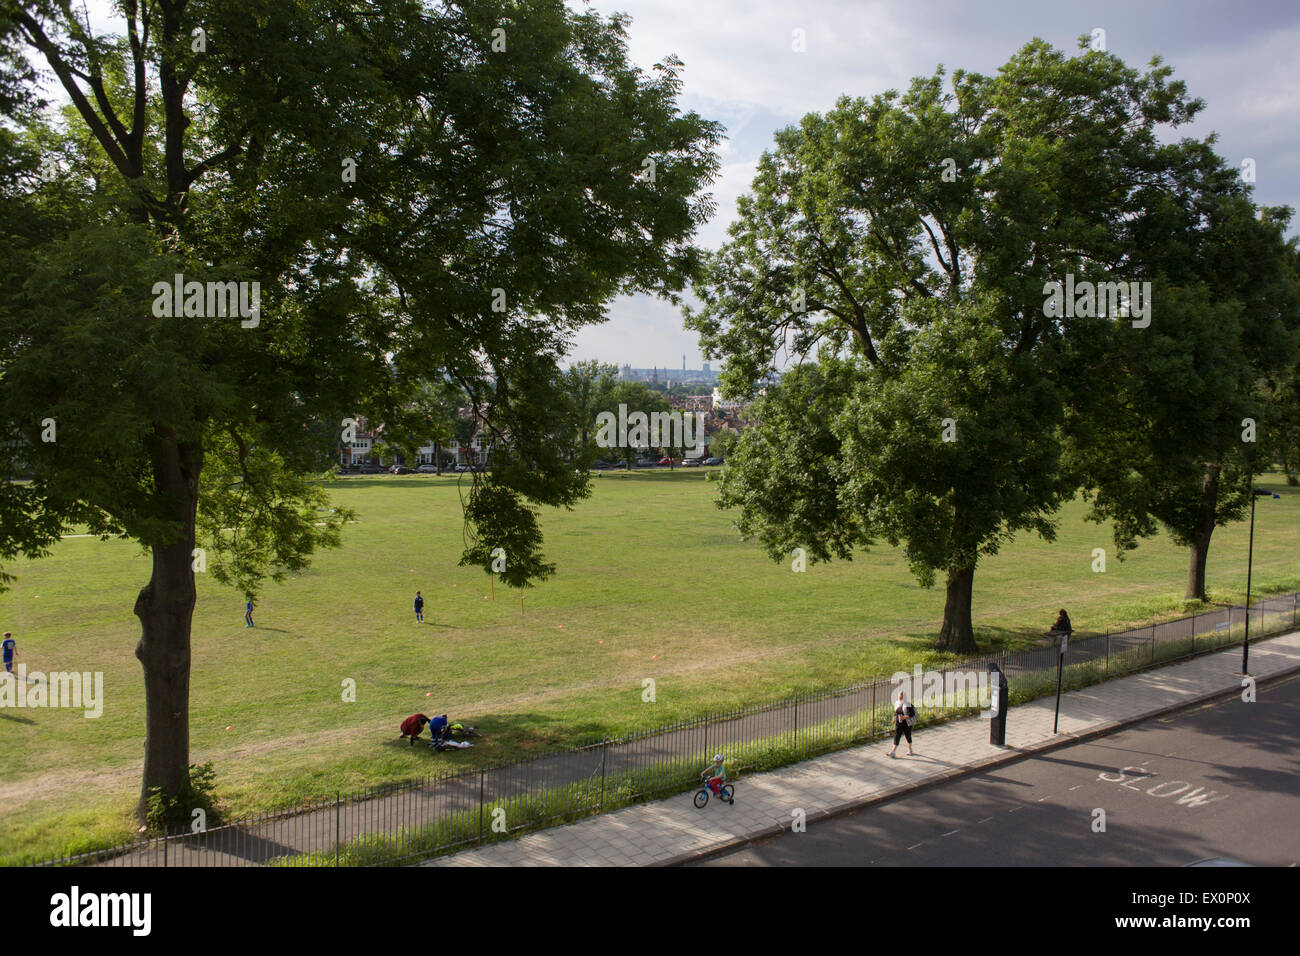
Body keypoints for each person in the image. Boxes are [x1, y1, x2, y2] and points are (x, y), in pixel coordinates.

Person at [888, 690, 915, 757]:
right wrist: (894, 718)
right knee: (897, 736)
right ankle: (893, 751)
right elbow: (896, 712)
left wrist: (904, 717)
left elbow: (912, 714)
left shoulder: (908, 704)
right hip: (899, 722)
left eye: (901, 697)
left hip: (907, 724)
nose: (899, 698)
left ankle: (910, 749)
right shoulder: (897, 703)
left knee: (908, 736)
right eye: (899, 697)